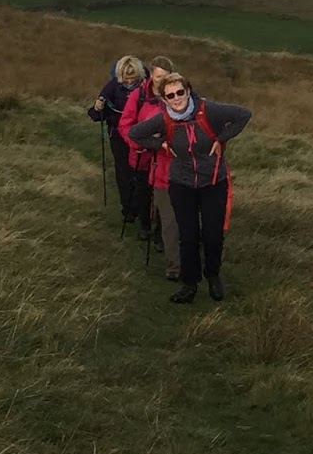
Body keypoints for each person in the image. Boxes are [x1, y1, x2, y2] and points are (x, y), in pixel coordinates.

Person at [122, 72, 251, 304]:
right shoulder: (163, 119)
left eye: (180, 92)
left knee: (213, 235)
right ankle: (189, 284)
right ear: (164, 99)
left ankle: (213, 276)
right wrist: (160, 144)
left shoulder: (208, 110)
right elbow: (134, 133)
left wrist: (220, 139)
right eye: (170, 95)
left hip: (213, 182)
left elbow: (243, 115)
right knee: (188, 236)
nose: (176, 98)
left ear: (188, 91)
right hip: (181, 184)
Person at [119, 56, 181, 279]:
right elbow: (125, 123)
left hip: (164, 158)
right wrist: (138, 142)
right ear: (151, 75)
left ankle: (159, 235)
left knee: (162, 200)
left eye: (164, 78)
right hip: (142, 155)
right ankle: (145, 225)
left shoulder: (174, 95)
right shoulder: (139, 95)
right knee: (144, 193)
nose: (160, 81)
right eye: (157, 77)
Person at [88, 56, 147, 231]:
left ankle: (142, 208)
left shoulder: (145, 88)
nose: (129, 82)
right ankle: (128, 209)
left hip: (140, 135)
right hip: (118, 137)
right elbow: (95, 115)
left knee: (140, 173)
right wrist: (98, 108)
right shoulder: (112, 87)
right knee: (123, 172)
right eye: (126, 79)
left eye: (133, 79)